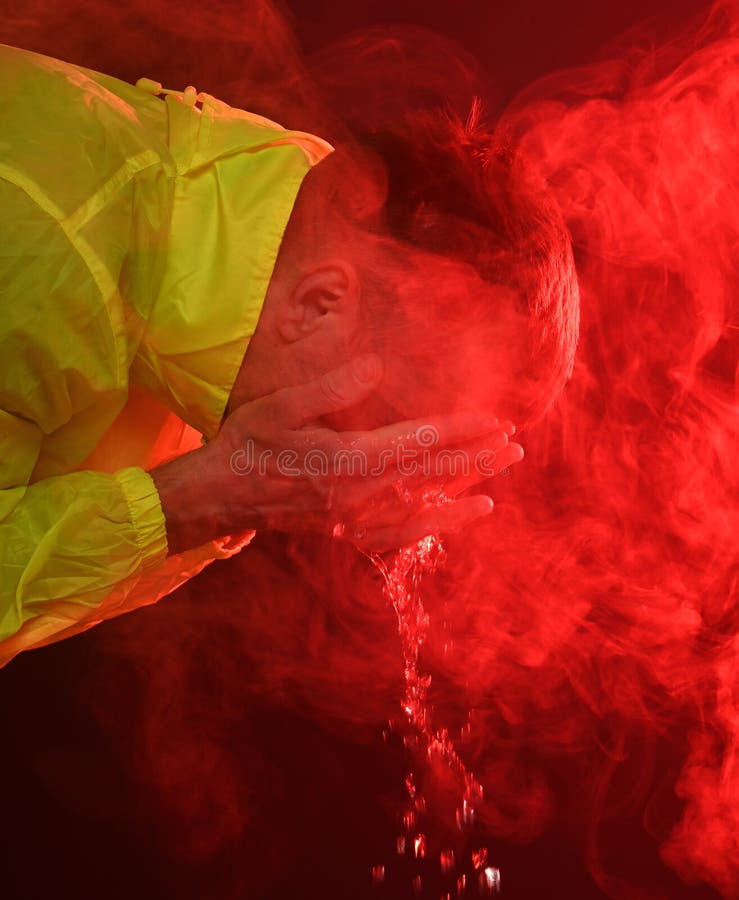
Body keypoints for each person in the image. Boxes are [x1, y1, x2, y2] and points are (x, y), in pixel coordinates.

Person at [0, 42, 577, 667]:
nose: (370, 473)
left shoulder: (252, 259)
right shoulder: (48, 239)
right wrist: (209, 499)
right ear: (320, 304)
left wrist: (229, 495)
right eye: (392, 428)